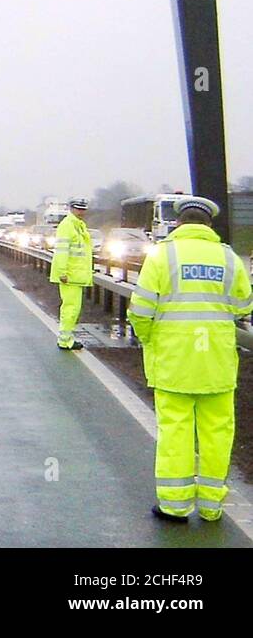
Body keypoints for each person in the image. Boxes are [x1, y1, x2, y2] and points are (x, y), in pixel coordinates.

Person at [128, 196, 252, 522]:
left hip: (174, 363)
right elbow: (243, 307)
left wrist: (149, 339)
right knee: (217, 434)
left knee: (176, 433)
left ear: (179, 223)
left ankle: (175, 504)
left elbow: (141, 311)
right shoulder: (230, 259)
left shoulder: (162, 256)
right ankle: (212, 505)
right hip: (218, 364)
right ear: (209, 225)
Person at [49, 198, 93, 350]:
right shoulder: (68, 226)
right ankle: (65, 340)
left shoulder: (78, 225)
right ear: (71, 209)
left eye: (83, 209)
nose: (81, 212)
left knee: (73, 308)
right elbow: (62, 251)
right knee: (70, 308)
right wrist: (62, 272)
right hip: (70, 275)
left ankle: (67, 338)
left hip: (76, 275)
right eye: (78, 209)